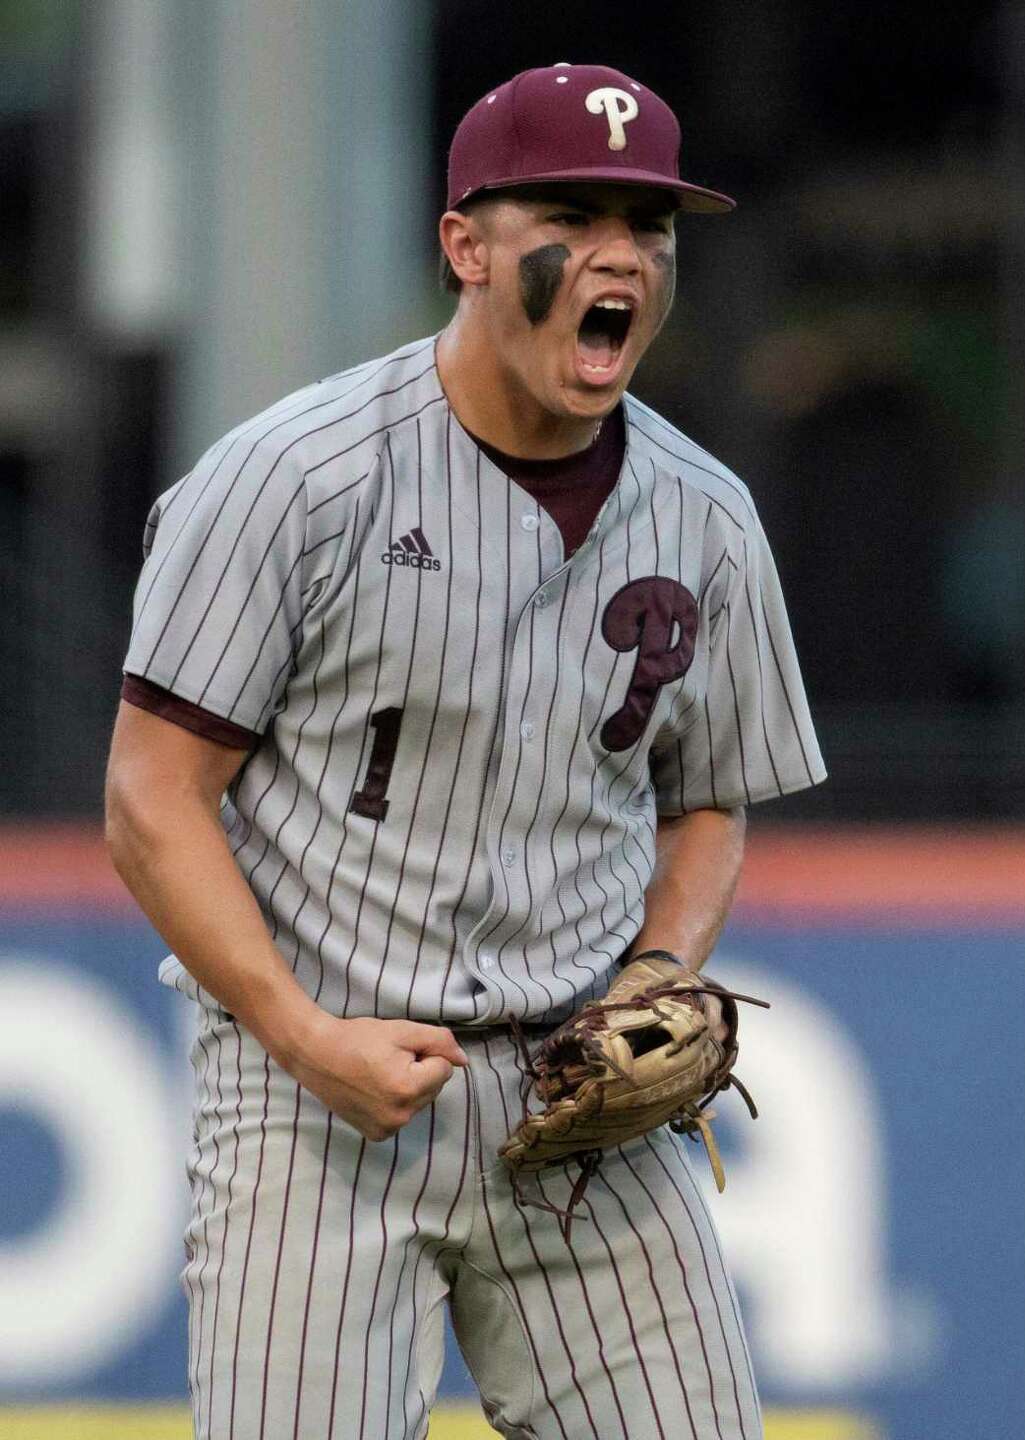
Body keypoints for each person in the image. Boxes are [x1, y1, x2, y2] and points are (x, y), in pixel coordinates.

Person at [103, 62, 823, 1440]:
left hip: (583, 1113)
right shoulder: (292, 481)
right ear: (466, 245)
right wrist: (303, 1036)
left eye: (650, 227)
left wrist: (662, 969)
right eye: (573, 210)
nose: (620, 254)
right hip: (312, 1098)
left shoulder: (709, 518)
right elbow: (150, 801)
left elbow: (710, 799)